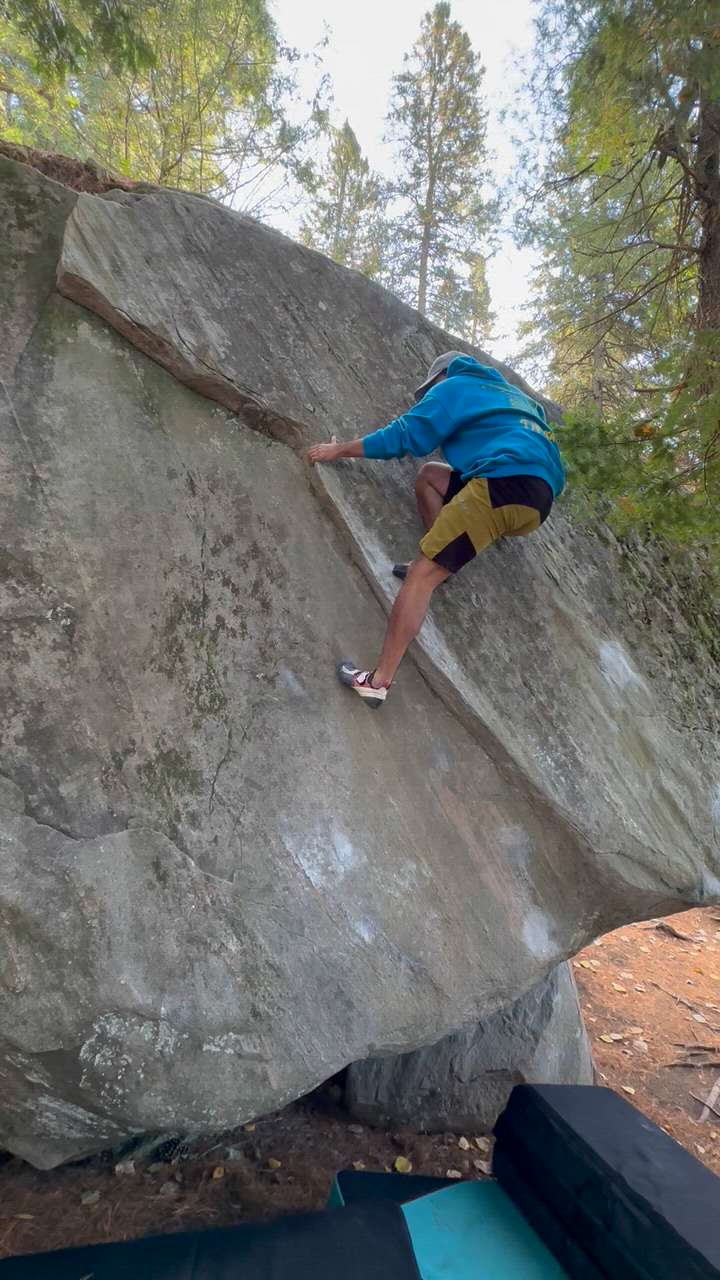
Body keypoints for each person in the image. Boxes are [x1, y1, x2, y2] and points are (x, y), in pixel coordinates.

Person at [307, 351, 565, 709]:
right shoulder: (515, 399)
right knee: (430, 476)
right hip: (537, 503)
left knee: (421, 576)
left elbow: (405, 436)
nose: (429, 397)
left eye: (430, 390)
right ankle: (442, 557)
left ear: (442, 375)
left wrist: (340, 450)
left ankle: (377, 682)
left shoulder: (455, 384)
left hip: (502, 482)